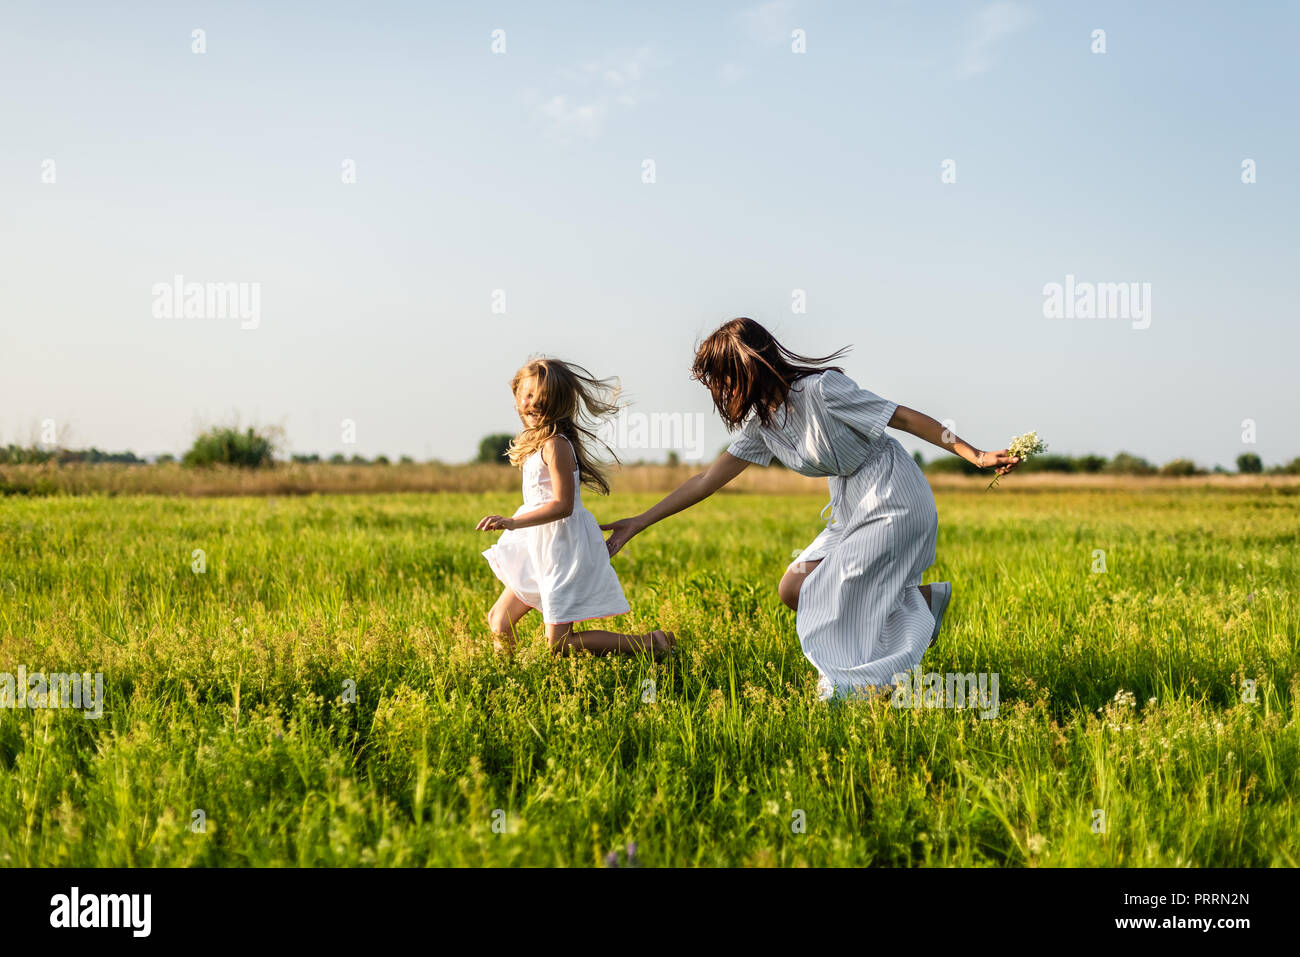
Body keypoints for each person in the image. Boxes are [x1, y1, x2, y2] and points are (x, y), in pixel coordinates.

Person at [601, 318, 1020, 700]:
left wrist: (976, 455)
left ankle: (850, 687)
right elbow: (705, 481)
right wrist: (638, 522)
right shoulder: (763, 426)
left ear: (749, 366)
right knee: (795, 588)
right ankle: (922, 604)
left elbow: (904, 419)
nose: (721, 391)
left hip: (892, 494)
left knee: (845, 596)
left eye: (724, 378)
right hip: (848, 504)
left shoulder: (822, 389)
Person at [478, 357, 675, 659]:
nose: (532, 404)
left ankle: (650, 644)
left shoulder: (556, 445)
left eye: (541, 398)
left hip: (560, 548)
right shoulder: (537, 442)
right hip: (536, 544)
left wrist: (513, 522)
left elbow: (563, 505)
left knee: (559, 643)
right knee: (499, 619)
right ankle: (507, 680)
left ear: (556, 403)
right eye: (527, 395)